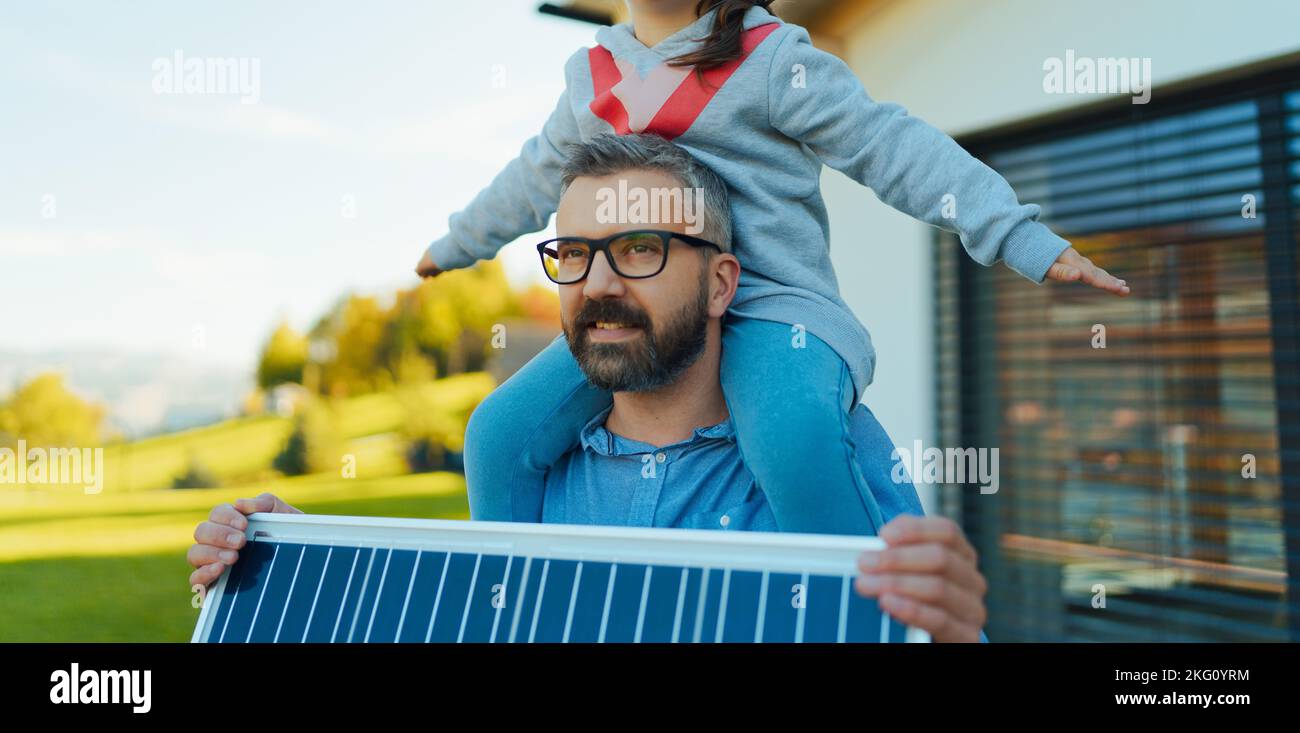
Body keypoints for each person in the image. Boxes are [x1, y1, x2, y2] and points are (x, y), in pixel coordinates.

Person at [413, 0, 1130, 536]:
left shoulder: (772, 60)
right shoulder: (590, 84)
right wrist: (455, 243)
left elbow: (889, 144)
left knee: (791, 438)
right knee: (497, 435)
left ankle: (853, 601)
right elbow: (534, 176)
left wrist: (1016, 233)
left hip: (775, 309)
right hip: (642, 309)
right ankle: (510, 594)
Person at [188, 134, 990, 641]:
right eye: (573, 252)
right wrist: (293, 567)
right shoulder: (534, 478)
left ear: (720, 283)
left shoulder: (826, 453)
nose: (597, 283)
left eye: (639, 247)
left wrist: (948, 634)